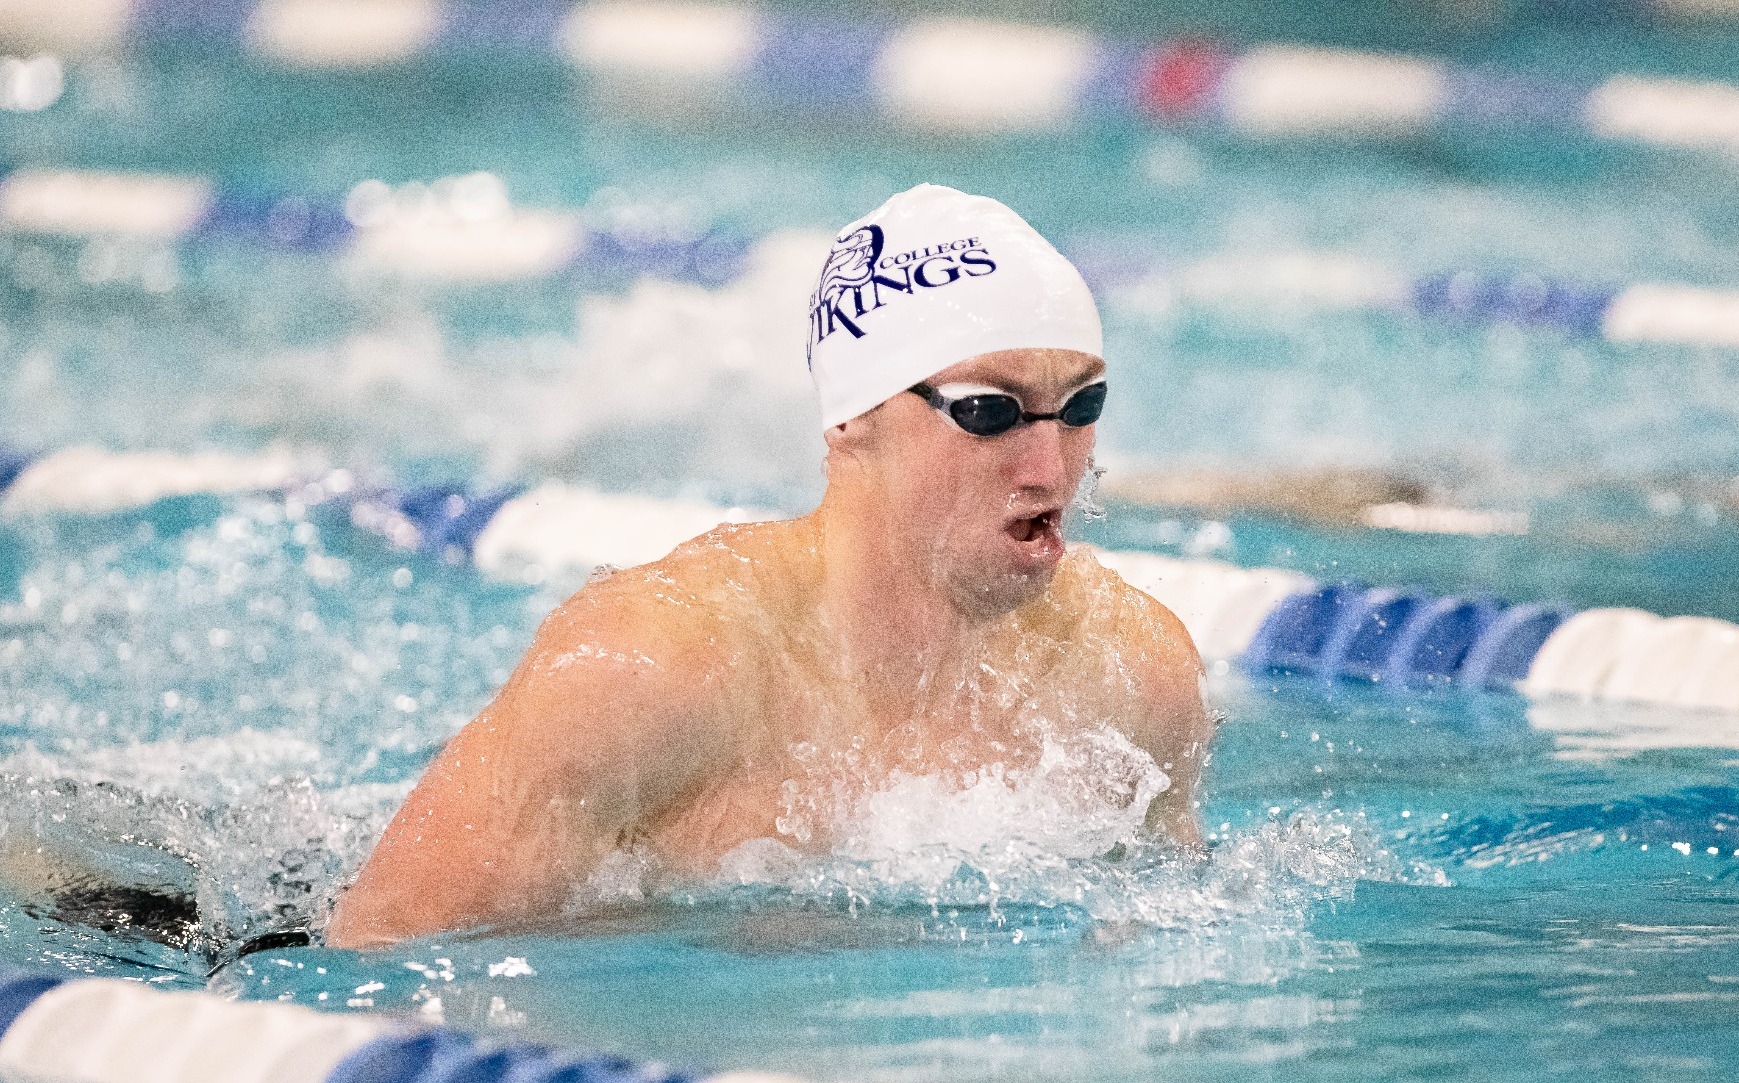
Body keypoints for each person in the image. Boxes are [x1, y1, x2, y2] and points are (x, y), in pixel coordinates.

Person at [327, 185, 1213, 949]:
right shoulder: (653, 670)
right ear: (849, 418)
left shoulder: (1130, 674)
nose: (1049, 464)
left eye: (1080, 405)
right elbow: (379, 963)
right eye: (989, 410)